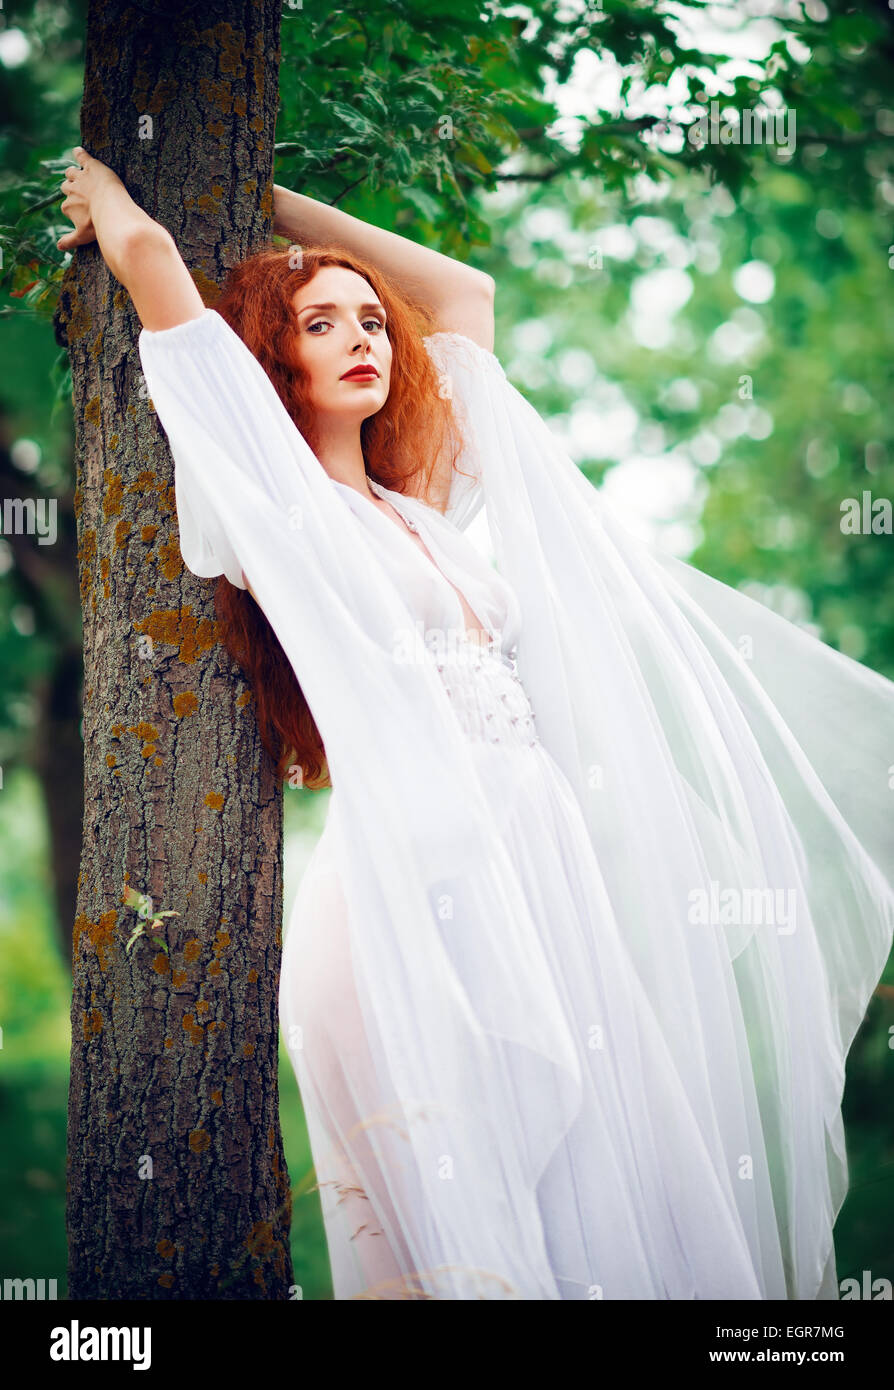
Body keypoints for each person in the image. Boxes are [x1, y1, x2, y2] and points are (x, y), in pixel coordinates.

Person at [59, 148, 894, 1301]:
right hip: (410, 887)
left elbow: (462, 300)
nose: (366, 337)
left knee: (598, 1174)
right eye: (321, 322)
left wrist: (268, 196)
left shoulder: (424, 510)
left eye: (369, 322)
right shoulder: (270, 507)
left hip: (534, 864)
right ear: (273, 356)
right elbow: (153, 261)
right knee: (464, 1214)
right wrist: (100, 188)